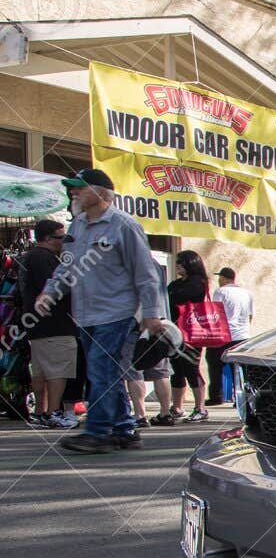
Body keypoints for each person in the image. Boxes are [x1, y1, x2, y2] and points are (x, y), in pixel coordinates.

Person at [35, 168, 165, 453]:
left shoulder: (124, 225)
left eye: (80, 187)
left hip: (115, 313)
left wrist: (152, 312)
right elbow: (67, 266)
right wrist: (50, 292)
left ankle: (98, 432)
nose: (74, 192)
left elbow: (146, 273)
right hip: (85, 315)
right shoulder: (78, 225)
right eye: (72, 187)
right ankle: (125, 430)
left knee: (100, 370)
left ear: (103, 194)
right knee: (108, 372)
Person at [18, 218, 78, 429]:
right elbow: (55, 288)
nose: (64, 242)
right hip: (55, 324)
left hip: (38, 324)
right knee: (57, 370)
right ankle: (51, 413)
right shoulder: (44, 258)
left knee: (41, 371)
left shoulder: (31, 257)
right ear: (47, 238)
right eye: (61, 238)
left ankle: (41, 412)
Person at [168, 249, 211, 420]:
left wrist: (174, 293)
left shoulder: (197, 283)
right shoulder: (178, 283)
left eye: (181, 262)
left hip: (191, 332)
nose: (177, 265)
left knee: (191, 368)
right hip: (174, 331)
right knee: (176, 369)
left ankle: (200, 408)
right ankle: (177, 407)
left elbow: (181, 297)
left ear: (190, 264)